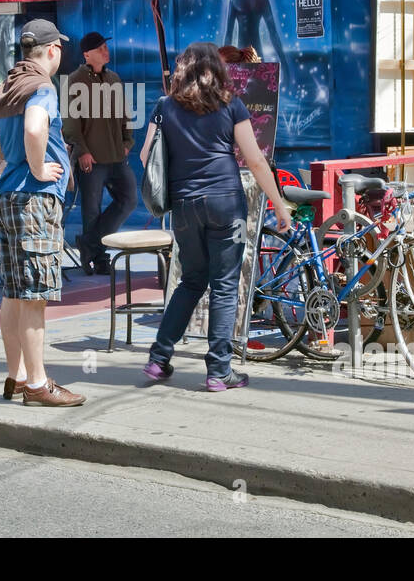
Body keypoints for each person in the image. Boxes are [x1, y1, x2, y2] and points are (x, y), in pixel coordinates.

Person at [139, 41, 292, 391]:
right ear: (216, 71)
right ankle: (219, 371)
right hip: (226, 203)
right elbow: (255, 160)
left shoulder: (164, 106)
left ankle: (159, 358)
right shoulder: (230, 105)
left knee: (191, 280)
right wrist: (279, 204)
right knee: (224, 285)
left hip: (185, 205)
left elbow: (148, 152)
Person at [0, 19, 84, 408]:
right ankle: (37, 383)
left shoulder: (7, 87)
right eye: (60, 48)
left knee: (14, 293)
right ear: (52, 51)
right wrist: (35, 168)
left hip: (7, 198)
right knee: (34, 296)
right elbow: (35, 129)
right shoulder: (42, 87)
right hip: (34, 199)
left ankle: (15, 377)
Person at [63, 31, 136, 275]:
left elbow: (126, 114)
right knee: (91, 209)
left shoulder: (114, 78)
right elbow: (71, 122)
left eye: (106, 47)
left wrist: (128, 141)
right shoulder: (74, 80)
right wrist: (82, 151)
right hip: (91, 158)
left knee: (128, 199)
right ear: (87, 54)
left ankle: (90, 242)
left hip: (117, 155)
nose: (106, 51)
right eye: (101, 48)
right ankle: (99, 257)